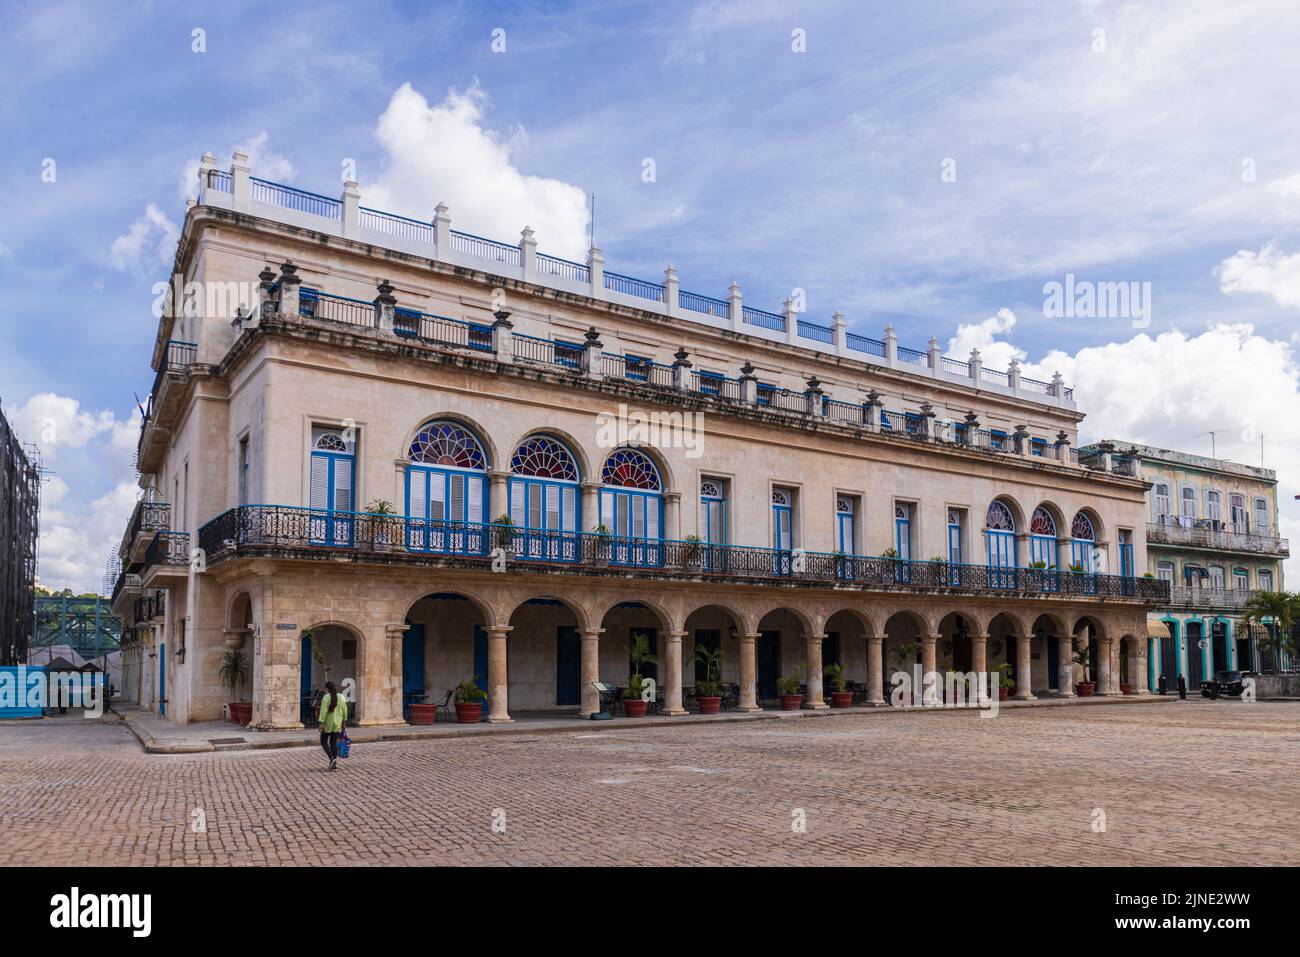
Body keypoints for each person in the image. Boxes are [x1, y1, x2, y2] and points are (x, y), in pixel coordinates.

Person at [318, 681, 348, 770]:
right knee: (333, 743)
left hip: (327, 723)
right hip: (337, 723)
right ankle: (334, 764)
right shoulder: (341, 697)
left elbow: (323, 712)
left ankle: (331, 758)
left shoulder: (326, 698)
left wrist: (321, 724)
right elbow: (345, 711)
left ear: (327, 689)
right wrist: (344, 723)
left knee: (323, 741)